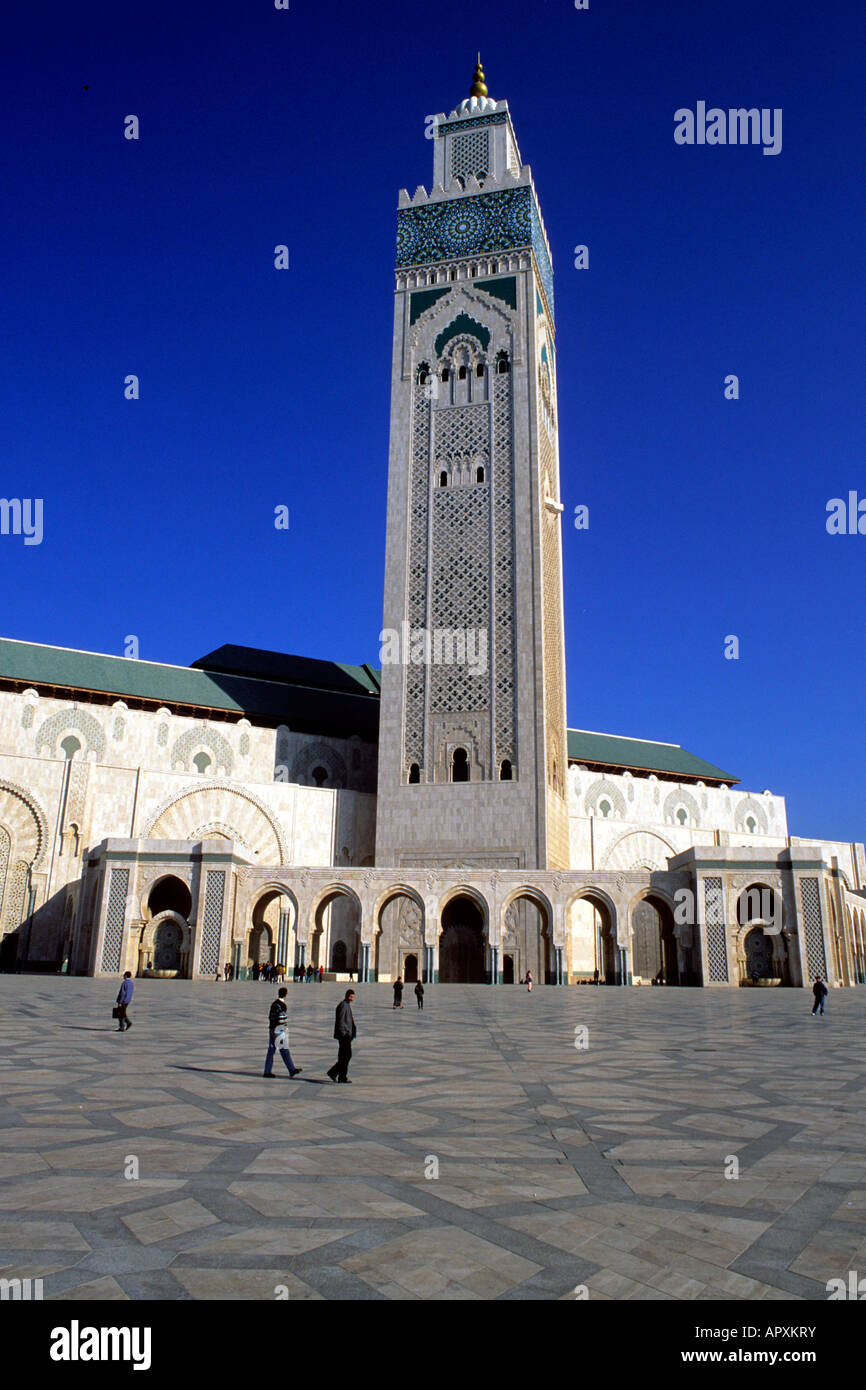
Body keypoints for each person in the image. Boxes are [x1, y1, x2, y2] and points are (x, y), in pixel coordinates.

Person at [263, 986, 302, 1078]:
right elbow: (282, 1019)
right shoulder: (283, 1005)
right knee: (284, 1050)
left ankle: (267, 1071)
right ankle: (291, 1069)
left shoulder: (274, 1004)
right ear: (285, 995)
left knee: (271, 1050)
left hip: (271, 1029)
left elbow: (270, 1016)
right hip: (279, 1029)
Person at [327, 989, 356, 1084]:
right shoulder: (343, 1005)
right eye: (351, 996)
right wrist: (344, 1033)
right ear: (347, 996)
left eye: (353, 997)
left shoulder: (346, 1004)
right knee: (346, 1055)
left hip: (346, 1034)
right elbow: (340, 1020)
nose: (352, 998)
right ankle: (334, 1072)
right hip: (344, 1035)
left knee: (344, 1056)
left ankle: (341, 1076)